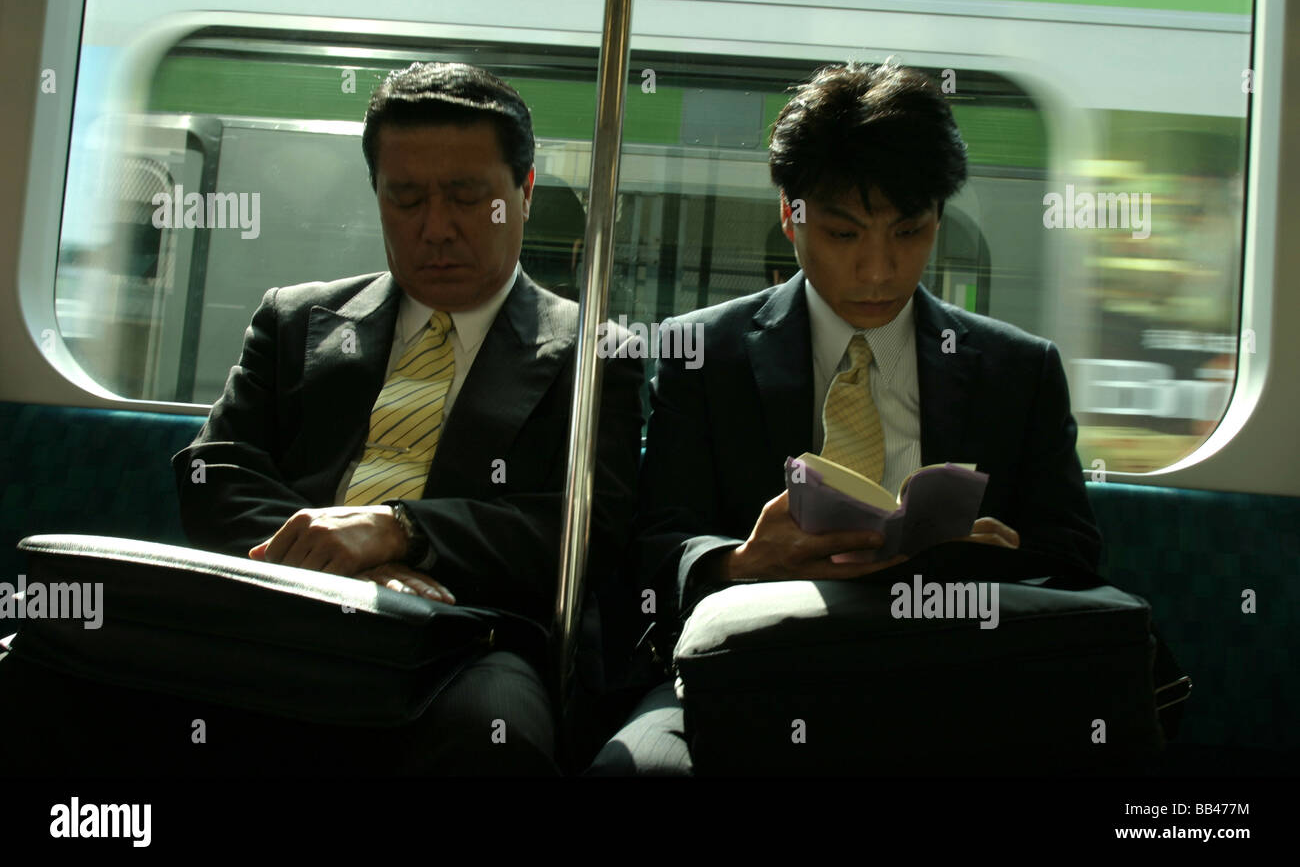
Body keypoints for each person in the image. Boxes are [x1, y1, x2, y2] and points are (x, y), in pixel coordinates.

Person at [589, 59, 1101, 775]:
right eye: (843, 235)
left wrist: (984, 557)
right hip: (753, 664)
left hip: (951, 668)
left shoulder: (1015, 369)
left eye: (909, 232)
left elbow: (1076, 551)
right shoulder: (705, 353)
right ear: (788, 214)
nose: (878, 271)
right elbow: (649, 546)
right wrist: (740, 560)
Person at [173, 62, 644, 774]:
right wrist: (341, 567)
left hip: (465, 639)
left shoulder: (596, 355)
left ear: (524, 192)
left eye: (466, 197)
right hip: (279, 607)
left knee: (497, 736)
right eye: (406, 198)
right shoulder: (296, 319)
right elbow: (216, 471)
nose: (436, 229)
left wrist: (400, 530)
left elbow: (584, 526)